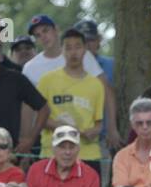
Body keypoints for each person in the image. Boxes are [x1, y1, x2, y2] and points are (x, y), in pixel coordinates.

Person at [37, 29, 105, 166]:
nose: (73, 52)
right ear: (61, 50)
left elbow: (98, 122)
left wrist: (94, 131)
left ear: (85, 49)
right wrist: (65, 128)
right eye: (68, 48)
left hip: (88, 155)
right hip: (53, 153)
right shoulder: (46, 80)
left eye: (78, 47)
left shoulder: (96, 85)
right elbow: (39, 118)